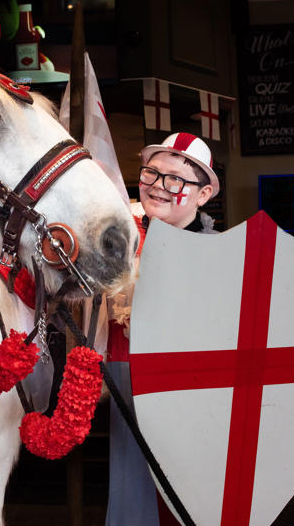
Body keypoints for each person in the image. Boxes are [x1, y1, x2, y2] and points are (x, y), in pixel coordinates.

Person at [105, 132, 218, 526]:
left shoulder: (220, 253)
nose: (158, 186)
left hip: (195, 389)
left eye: (175, 180)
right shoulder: (118, 237)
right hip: (128, 376)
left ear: (203, 195)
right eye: (152, 173)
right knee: (133, 486)